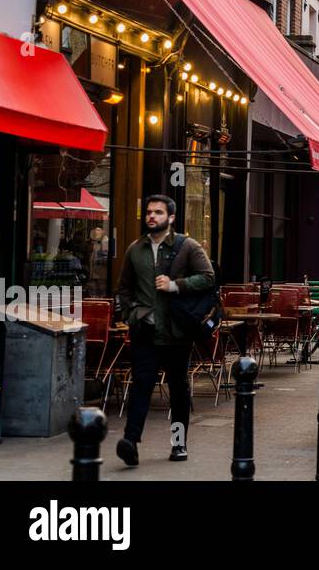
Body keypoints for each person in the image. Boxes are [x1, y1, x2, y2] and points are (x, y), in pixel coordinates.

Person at [114, 194, 215, 466]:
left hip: (176, 332)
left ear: (170, 218)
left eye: (158, 212)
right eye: (148, 212)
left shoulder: (187, 246)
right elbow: (123, 288)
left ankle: (179, 445)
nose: (151, 216)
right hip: (145, 331)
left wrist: (175, 285)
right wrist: (132, 315)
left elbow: (208, 278)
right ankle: (130, 442)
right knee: (141, 385)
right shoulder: (135, 249)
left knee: (178, 389)